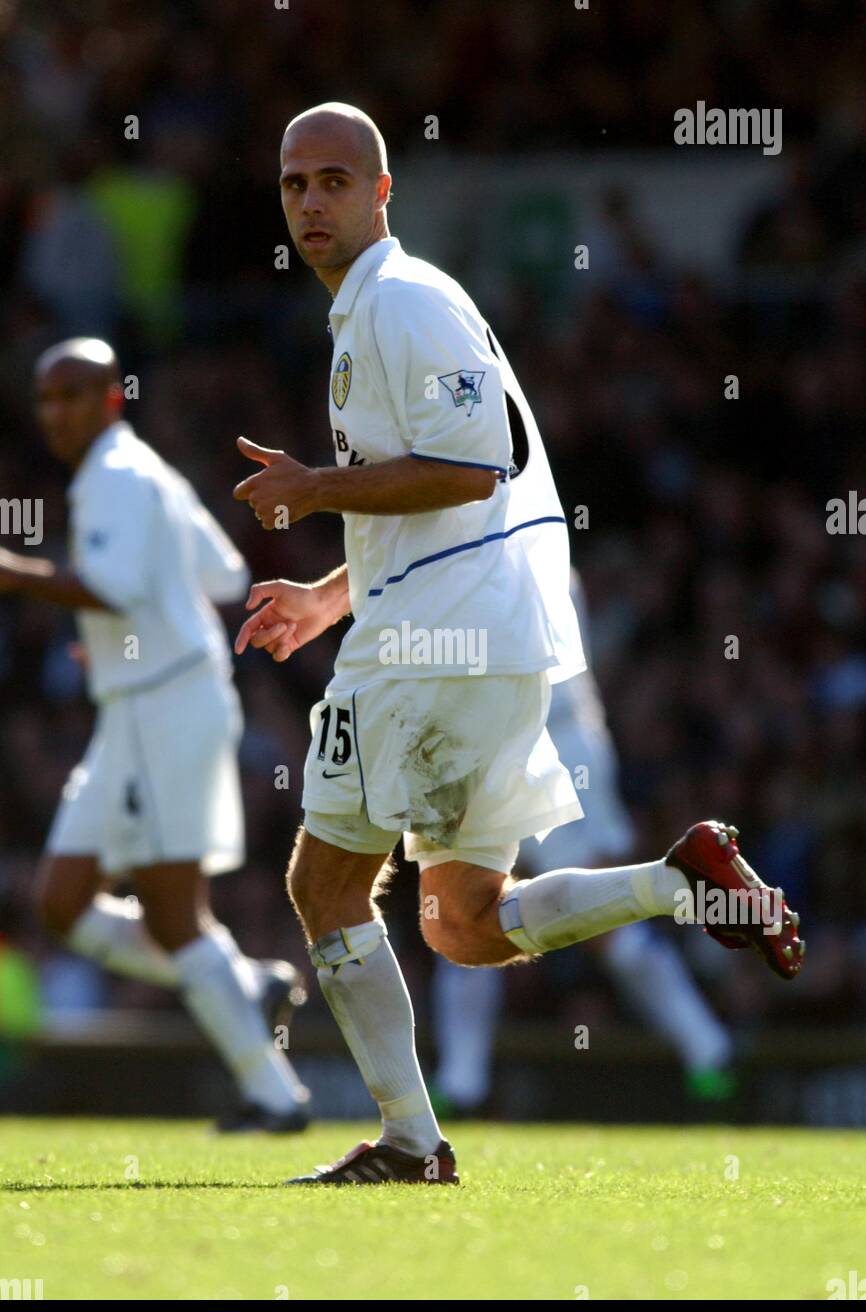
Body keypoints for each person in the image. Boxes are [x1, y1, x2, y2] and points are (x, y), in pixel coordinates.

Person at [232, 103, 803, 1185]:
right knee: (462, 924)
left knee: (324, 887)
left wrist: (311, 488)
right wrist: (325, 595)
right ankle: (676, 881)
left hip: (436, 642)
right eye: (293, 184)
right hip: (481, 634)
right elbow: (441, 505)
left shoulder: (402, 301)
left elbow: (472, 465)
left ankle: (408, 1143)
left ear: (381, 191)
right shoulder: (372, 314)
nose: (310, 201)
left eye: (333, 181)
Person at [0, 336, 310, 1134]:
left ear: (111, 399)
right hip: (142, 706)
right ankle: (243, 980)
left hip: (164, 705)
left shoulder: (115, 474)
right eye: (47, 399)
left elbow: (112, 585)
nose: (56, 413)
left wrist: (10, 570)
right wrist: (125, 626)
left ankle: (272, 1093)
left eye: (73, 396)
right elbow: (224, 575)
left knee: (174, 918)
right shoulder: (148, 474)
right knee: (62, 904)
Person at [431, 571, 736, 1120]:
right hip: (506, 746)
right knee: (461, 908)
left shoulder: (510, 546)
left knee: (598, 920)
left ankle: (709, 1050)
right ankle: (462, 1082)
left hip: (552, 745)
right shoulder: (495, 538)